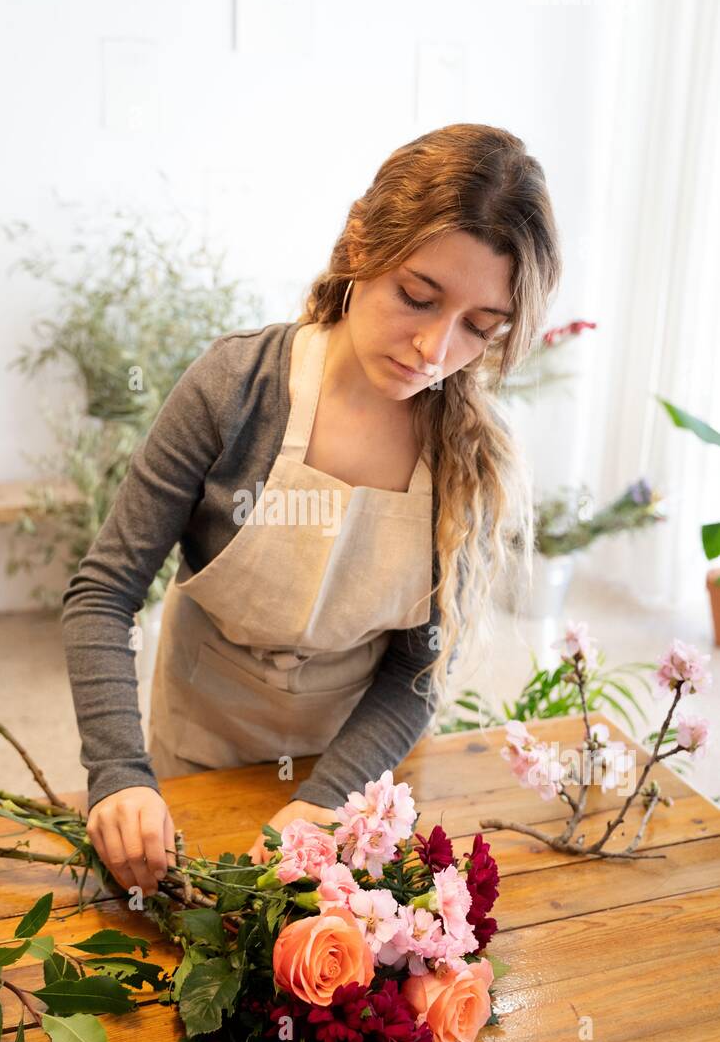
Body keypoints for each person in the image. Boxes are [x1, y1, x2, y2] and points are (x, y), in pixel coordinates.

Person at [60, 122, 562, 896]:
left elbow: (416, 672)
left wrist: (329, 801)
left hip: (352, 766)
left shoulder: (470, 458)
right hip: (199, 743)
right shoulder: (235, 389)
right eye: (417, 297)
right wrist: (120, 774)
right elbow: (103, 593)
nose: (435, 348)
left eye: (477, 327)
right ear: (360, 242)